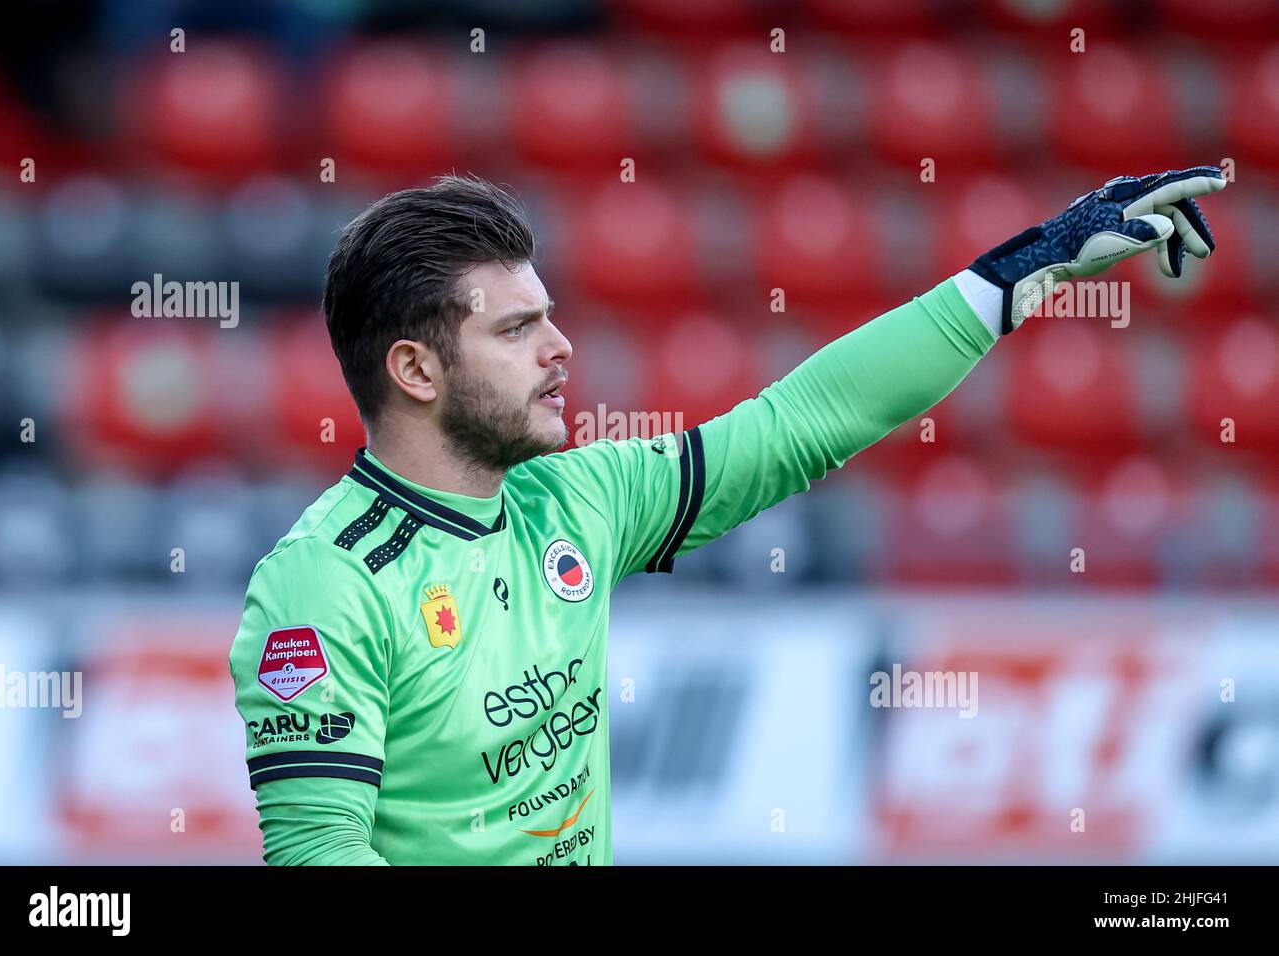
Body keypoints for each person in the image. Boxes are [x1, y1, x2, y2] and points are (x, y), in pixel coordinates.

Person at [229, 167, 1226, 865]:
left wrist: (1024, 270)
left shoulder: (578, 497)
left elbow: (803, 420)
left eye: (551, 315)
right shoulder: (327, 580)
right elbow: (324, 852)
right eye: (519, 328)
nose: (561, 348)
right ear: (414, 368)